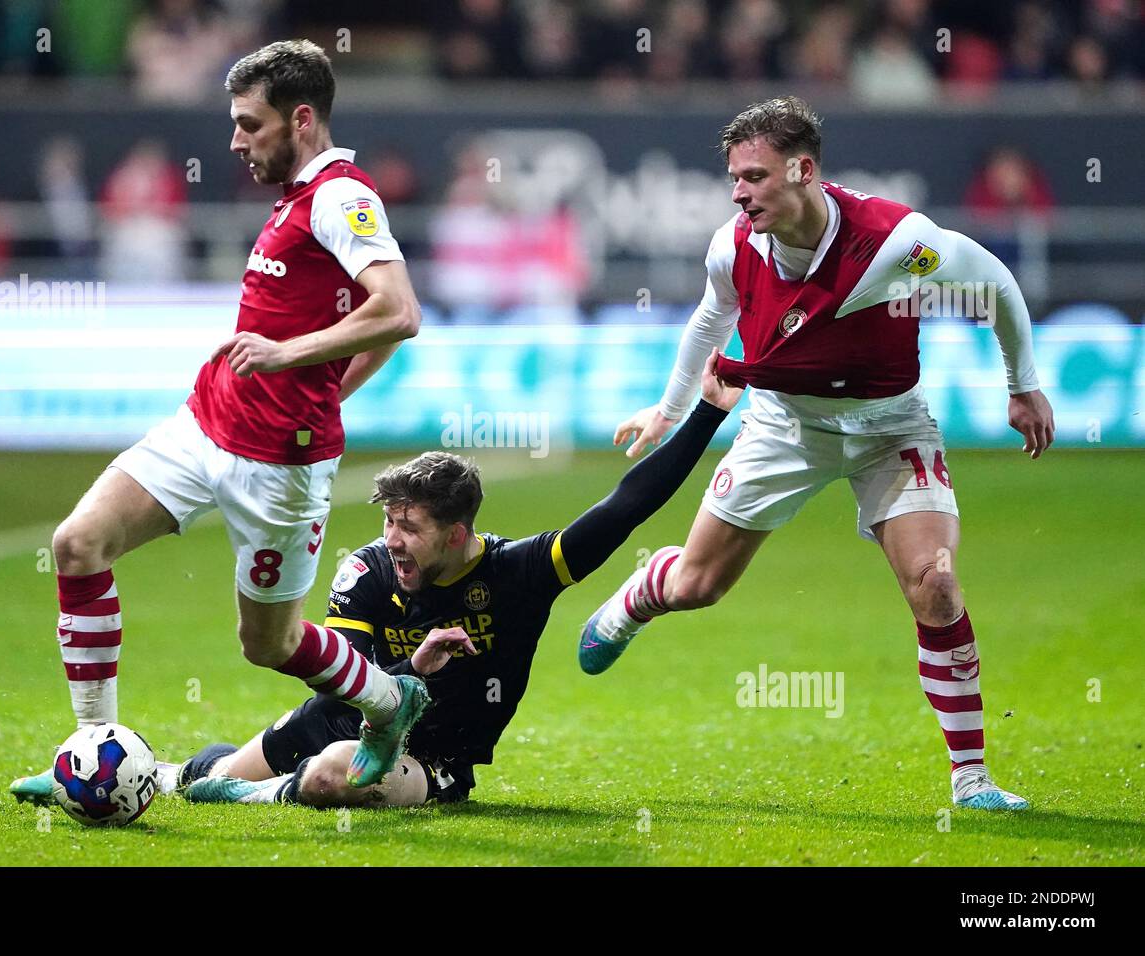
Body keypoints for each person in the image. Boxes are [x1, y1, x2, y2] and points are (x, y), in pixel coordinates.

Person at [579, 96, 1055, 813]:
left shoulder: (897, 242)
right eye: (734, 179)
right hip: (782, 426)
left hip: (891, 428)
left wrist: (1023, 386)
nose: (739, 194)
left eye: (754, 177)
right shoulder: (733, 245)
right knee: (698, 588)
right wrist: (669, 409)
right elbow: (713, 315)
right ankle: (643, 591)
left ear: (803, 170)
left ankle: (972, 778)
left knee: (936, 584)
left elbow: (992, 282)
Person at [10, 39, 428, 805]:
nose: (235, 141)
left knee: (268, 644)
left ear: (302, 119)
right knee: (77, 545)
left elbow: (399, 312)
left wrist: (287, 358)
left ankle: (390, 700)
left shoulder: (341, 197)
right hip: (204, 425)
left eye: (250, 124)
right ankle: (92, 752)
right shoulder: (295, 197)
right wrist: (316, 380)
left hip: (279, 467)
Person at [157, 355, 742, 808]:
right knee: (206, 776)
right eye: (388, 521)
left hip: (433, 756)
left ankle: (261, 790)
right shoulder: (365, 572)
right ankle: (178, 774)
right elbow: (342, 689)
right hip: (337, 717)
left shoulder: (522, 571)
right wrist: (416, 667)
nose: (391, 539)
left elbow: (625, 507)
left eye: (408, 527)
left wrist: (707, 414)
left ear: (458, 533)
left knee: (336, 777)